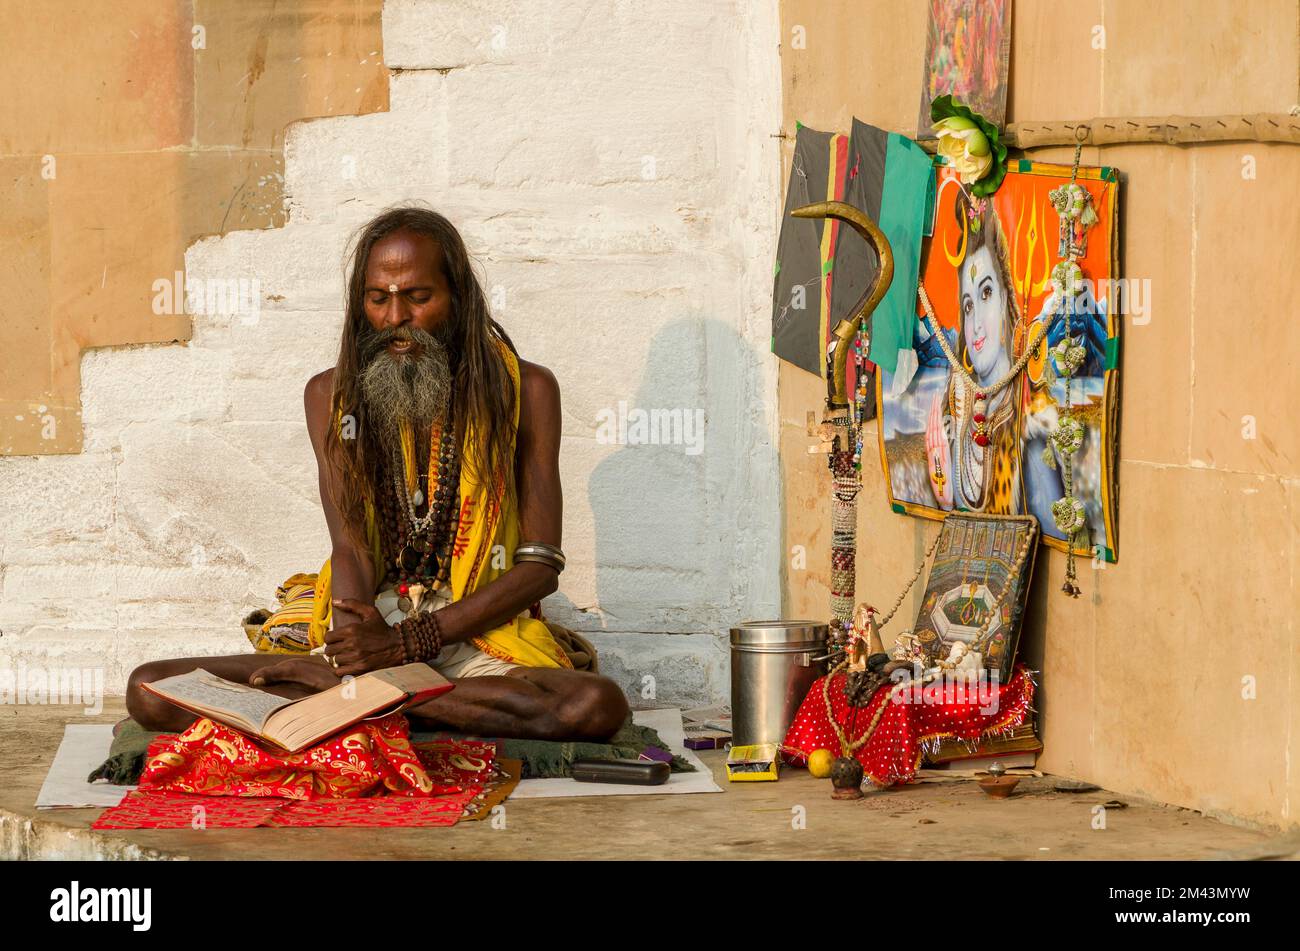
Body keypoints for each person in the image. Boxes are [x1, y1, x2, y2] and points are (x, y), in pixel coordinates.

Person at [127, 207, 629, 741]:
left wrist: (411, 644)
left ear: (457, 298)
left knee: (593, 705)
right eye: (378, 298)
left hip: (476, 628)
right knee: (151, 688)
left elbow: (539, 567)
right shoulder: (329, 395)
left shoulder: (526, 389)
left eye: (417, 297)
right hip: (372, 624)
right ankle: (382, 695)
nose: (394, 317)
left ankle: (354, 703)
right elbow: (350, 547)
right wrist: (353, 650)